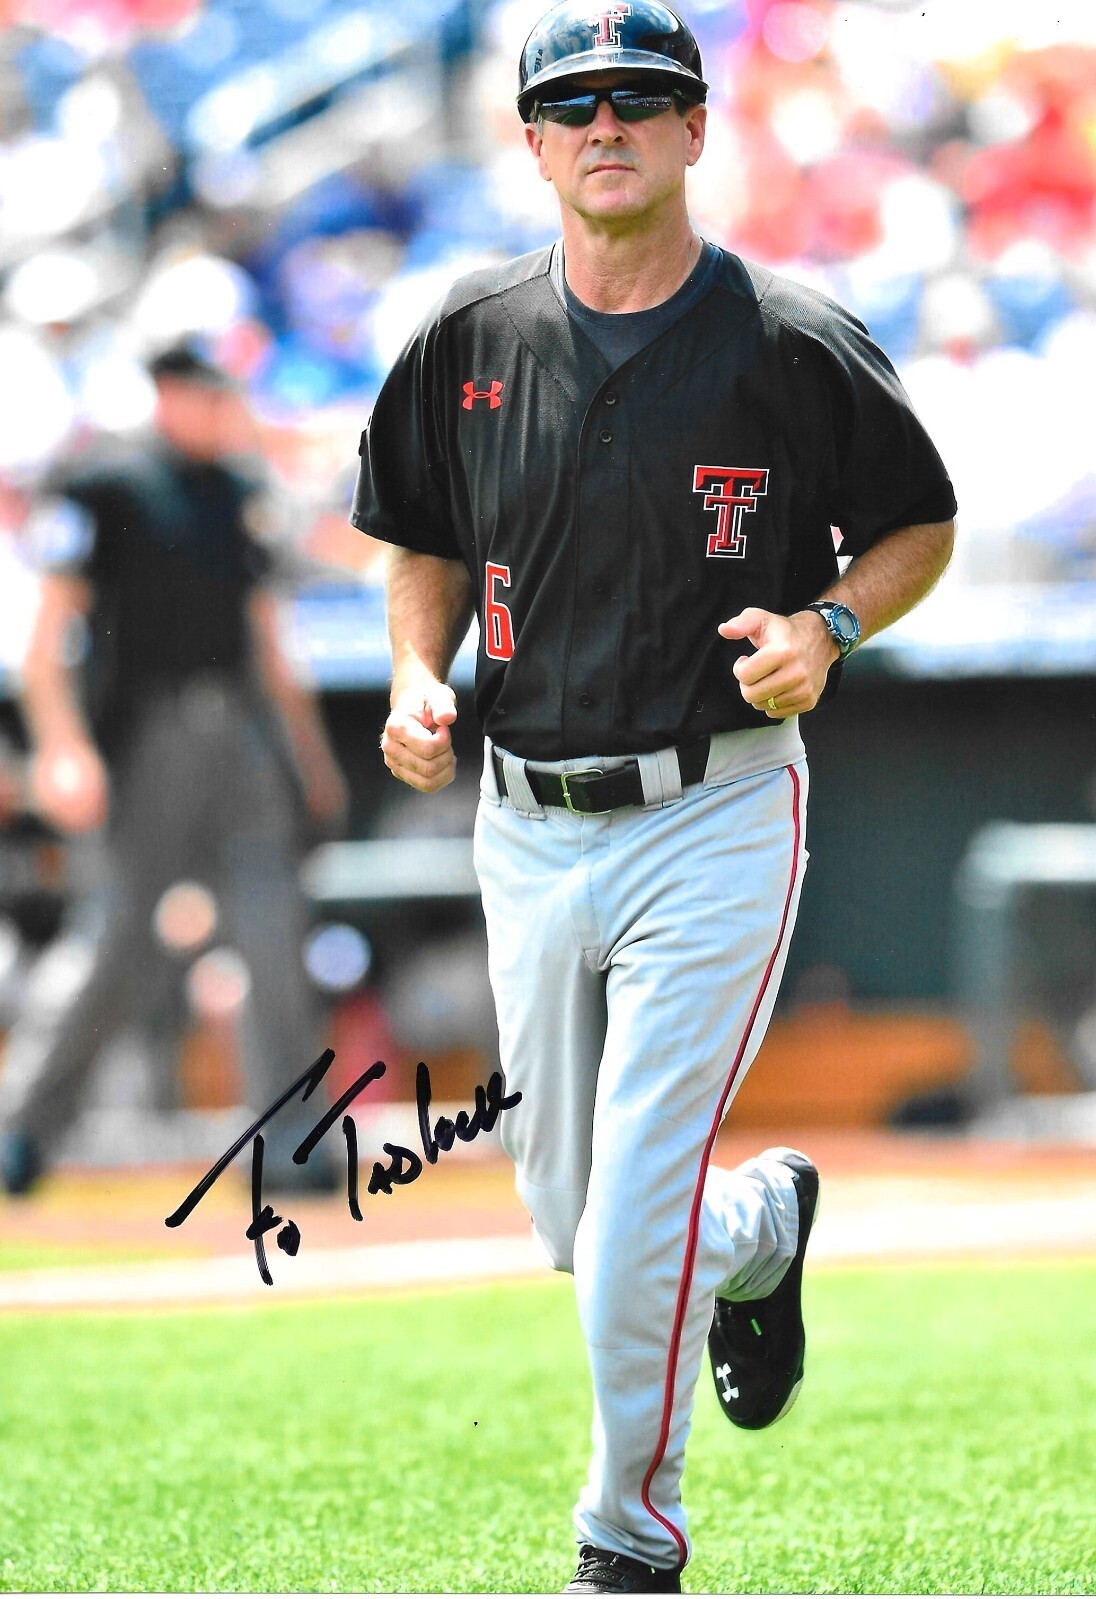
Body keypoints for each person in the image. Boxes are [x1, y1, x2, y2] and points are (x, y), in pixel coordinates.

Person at [352, 3, 956, 1589]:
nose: (605, 124)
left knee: (628, 1212)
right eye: (573, 103)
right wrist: (421, 676)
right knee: (573, 1217)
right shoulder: (465, 334)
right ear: (534, 143)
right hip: (525, 810)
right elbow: (414, 532)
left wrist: (828, 625)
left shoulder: (791, 337)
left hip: (714, 802)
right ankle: (757, 1226)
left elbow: (916, 523)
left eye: (639, 98)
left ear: (696, 128)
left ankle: (628, 1535)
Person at [0, 345, 347, 1197]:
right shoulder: (108, 484)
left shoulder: (234, 491)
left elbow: (267, 642)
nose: (208, 405)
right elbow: (48, 640)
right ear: (162, 394)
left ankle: (292, 1138)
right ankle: (23, 1130)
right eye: (194, 391)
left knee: (273, 936)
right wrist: (62, 746)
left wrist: (311, 758)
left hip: (238, 734)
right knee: (115, 942)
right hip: (141, 737)